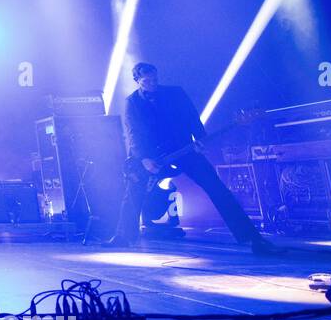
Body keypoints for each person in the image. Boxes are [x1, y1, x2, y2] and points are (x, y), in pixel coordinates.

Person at [106, 62, 280, 255]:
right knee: (133, 191)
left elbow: (192, 118)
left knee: (217, 189)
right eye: (147, 80)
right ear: (137, 81)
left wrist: (201, 140)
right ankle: (123, 236)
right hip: (152, 156)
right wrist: (144, 158)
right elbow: (134, 133)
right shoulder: (132, 102)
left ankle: (253, 239)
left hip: (184, 150)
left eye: (155, 78)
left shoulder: (175, 93)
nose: (153, 83)